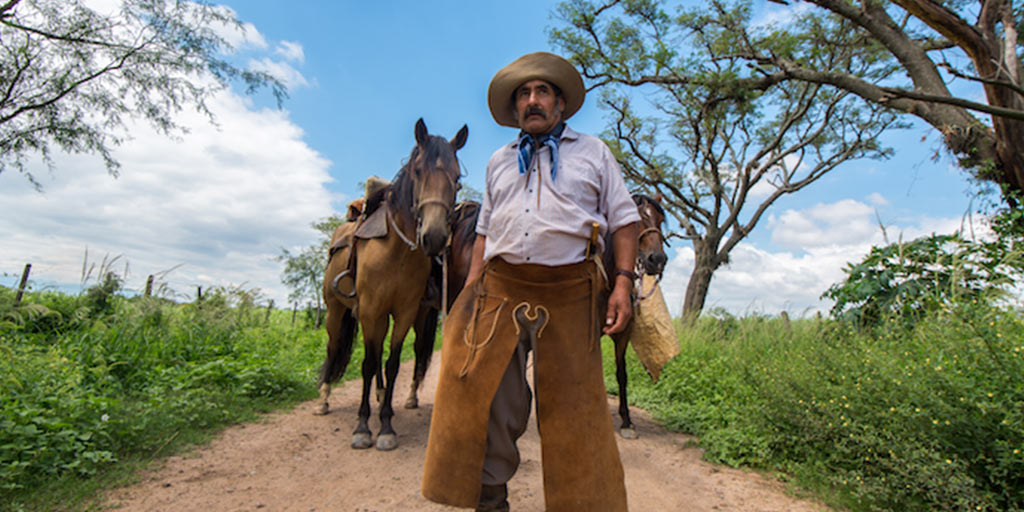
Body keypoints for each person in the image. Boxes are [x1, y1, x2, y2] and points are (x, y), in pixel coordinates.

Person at [421, 52, 640, 512]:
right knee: (490, 399)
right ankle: (490, 500)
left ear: (560, 103)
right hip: (501, 291)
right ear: (515, 107)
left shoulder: (594, 152)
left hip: (571, 292)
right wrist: (470, 292)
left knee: (575, 408)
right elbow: (485, 233)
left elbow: (624, 221)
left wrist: (622, 283)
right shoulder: (499, 161)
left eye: (542, 92)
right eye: (523, 94)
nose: (532, 100)